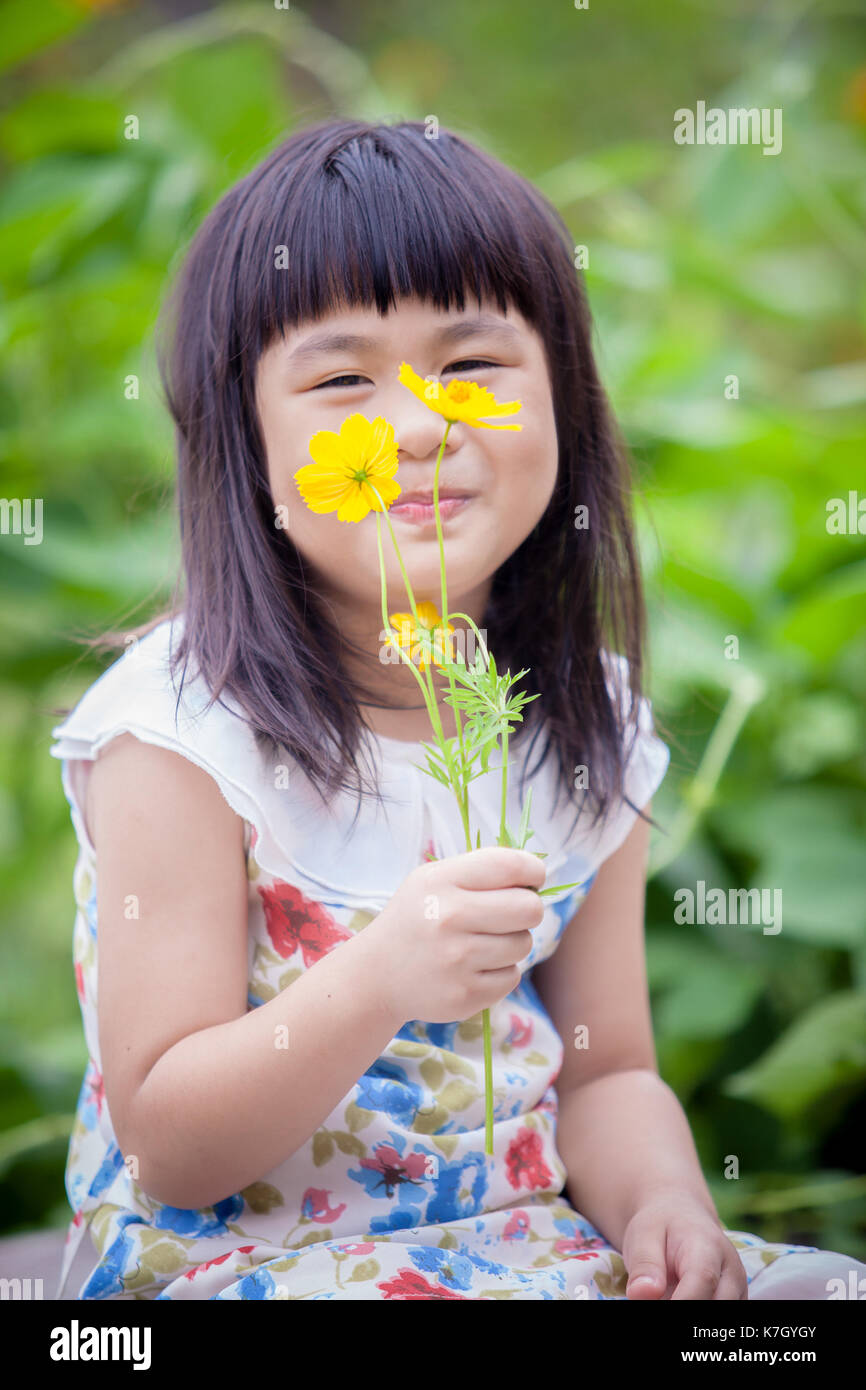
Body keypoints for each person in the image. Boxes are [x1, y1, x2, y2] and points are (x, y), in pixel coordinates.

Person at [48, 118, 865, 1301]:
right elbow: (169, 1142)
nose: (420, 429)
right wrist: (378, 974)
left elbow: (604, 1073)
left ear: (563, 401)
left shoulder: (586, 723)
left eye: (472, 366)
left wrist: (665, 1209)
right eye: (341, 381)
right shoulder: (182, 733)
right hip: (256, 1266)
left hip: (520, 1248)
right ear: (245, 441)